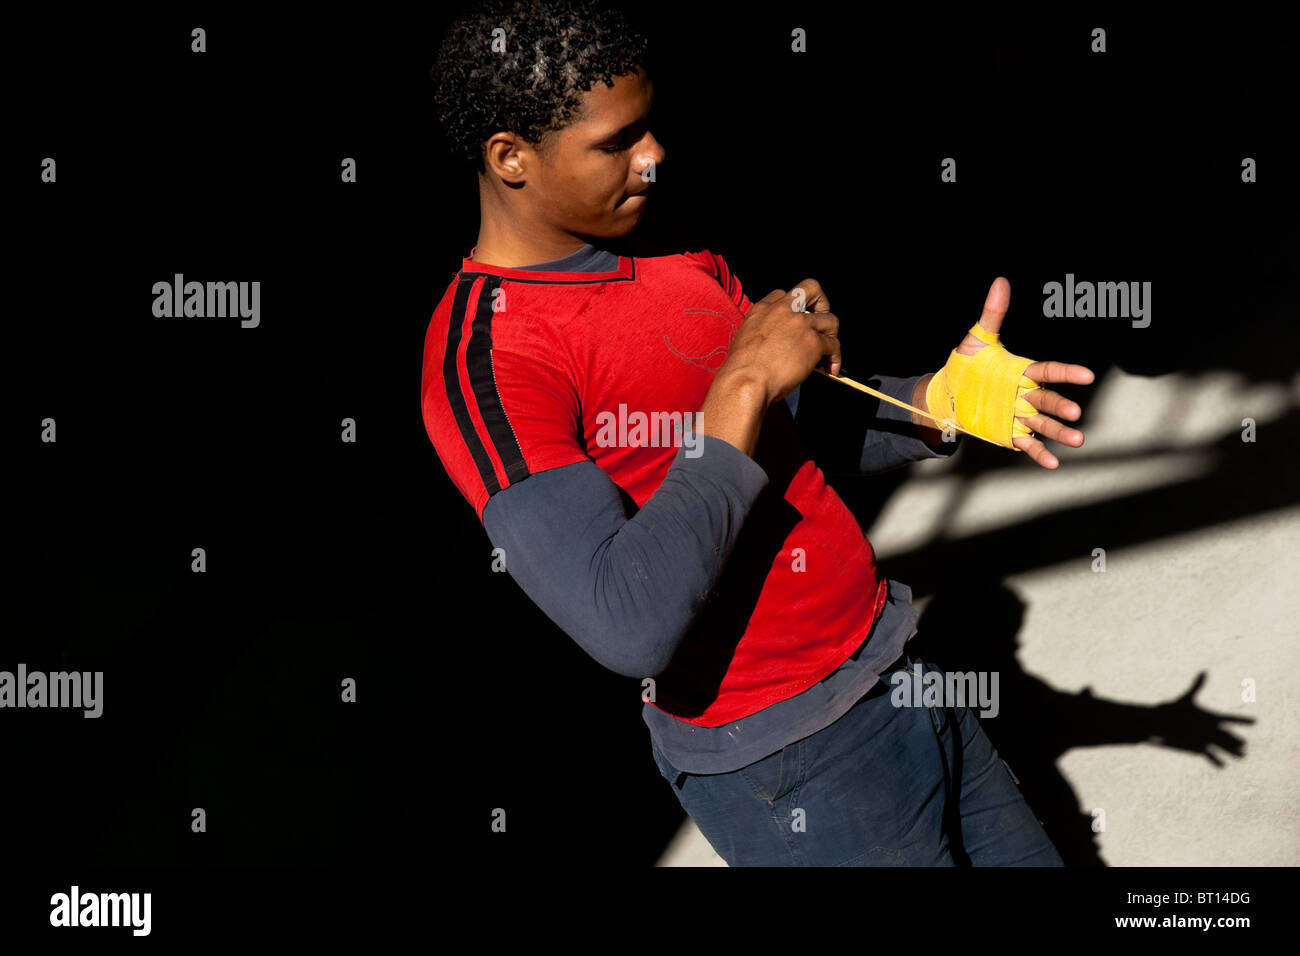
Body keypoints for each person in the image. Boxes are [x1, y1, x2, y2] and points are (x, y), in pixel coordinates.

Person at [423, 0, 1094, 865]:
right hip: (787, 764)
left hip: (895, 661)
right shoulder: (490, 361)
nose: (654, 156)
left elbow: (793, 436)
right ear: (510, 159)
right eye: (616, 143)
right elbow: (626, 623)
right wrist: (745, 377)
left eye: (649, 126)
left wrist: (937, 402)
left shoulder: (667, 247)